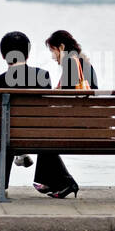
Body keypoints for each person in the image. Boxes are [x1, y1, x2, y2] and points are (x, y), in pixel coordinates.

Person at [33, 29, 99, 199]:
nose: (53, 57)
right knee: (44, 133)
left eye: (53, 51)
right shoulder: (84, 64)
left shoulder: (71, 64)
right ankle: (54, 182)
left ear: (61, 47)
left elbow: (65, 102)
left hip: (79, 126)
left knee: (43, 133)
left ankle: (64, 182)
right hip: (90, 123)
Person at [0, 31, 51, 197]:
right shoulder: (43, 76)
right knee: (18, 130)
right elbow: (48, 108)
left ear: (3, 55)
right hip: (39, 136)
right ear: (28, 54)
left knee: (7, 131)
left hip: (8, 136)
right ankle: (23, 155)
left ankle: (1, 180)